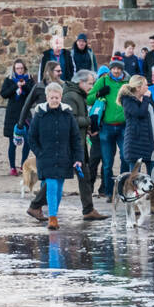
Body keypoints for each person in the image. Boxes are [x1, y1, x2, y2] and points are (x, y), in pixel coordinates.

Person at [28, 70, 108, 223]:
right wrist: (89, 121)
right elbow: (75, 121)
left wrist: (88, 128)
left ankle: (87, 209)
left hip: (74, 144)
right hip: (67, 147)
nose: (92, 86)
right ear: (81, 82)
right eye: (90, 83)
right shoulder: (71, 96)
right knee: (59, 179)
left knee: (70, 178)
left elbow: (72, 123)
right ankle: (40, 207)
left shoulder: (78, 95)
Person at [26, 82, 85, 231]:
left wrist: (78, 158)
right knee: (51, 186)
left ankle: (54, 214)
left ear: (61, 97)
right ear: (47, 97)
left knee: (59, 188)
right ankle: (52, 218)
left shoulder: (67, 114)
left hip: (64, 156)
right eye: (51, 97)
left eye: (57, 97)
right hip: (46, 158)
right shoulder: (40, 114)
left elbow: (75, 138)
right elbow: (32, 137)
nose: (54, 100)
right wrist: (40, 153)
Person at [89, 54, 129, 200]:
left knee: (125, 157)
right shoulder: (103, 80)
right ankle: (108, 191)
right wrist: (99, 93)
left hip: (124, 127)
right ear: (110, 69)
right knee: (107, 163)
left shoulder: (127, 82)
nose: (116, 71)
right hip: (106, 127)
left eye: (119, 68)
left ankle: (122, 189)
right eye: (114, 68)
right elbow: (89, 98)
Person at [121, 74, 154, 214]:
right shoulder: (127, 100)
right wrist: (147, 99)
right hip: (135, 143)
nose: (148, 87)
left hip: (149, 142)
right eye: (145, 85)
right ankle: (136, 204)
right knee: (135, 176)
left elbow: (153, 117)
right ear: (138, 87)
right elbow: (139, 112)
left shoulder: (147, 100)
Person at [0, 60, 34, 174]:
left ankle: (23, 164)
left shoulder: (29, 79)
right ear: (14, 69)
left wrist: (25, 86)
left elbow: (33, 93)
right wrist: (15, 86)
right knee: (12, 142)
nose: (19, 70)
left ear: (24, 69)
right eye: (17, 68)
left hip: (26, 113)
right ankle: (12, 167)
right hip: (12, 114)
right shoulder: (9, 80)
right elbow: (4, 94)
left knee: (28, 140)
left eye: (21, 68)